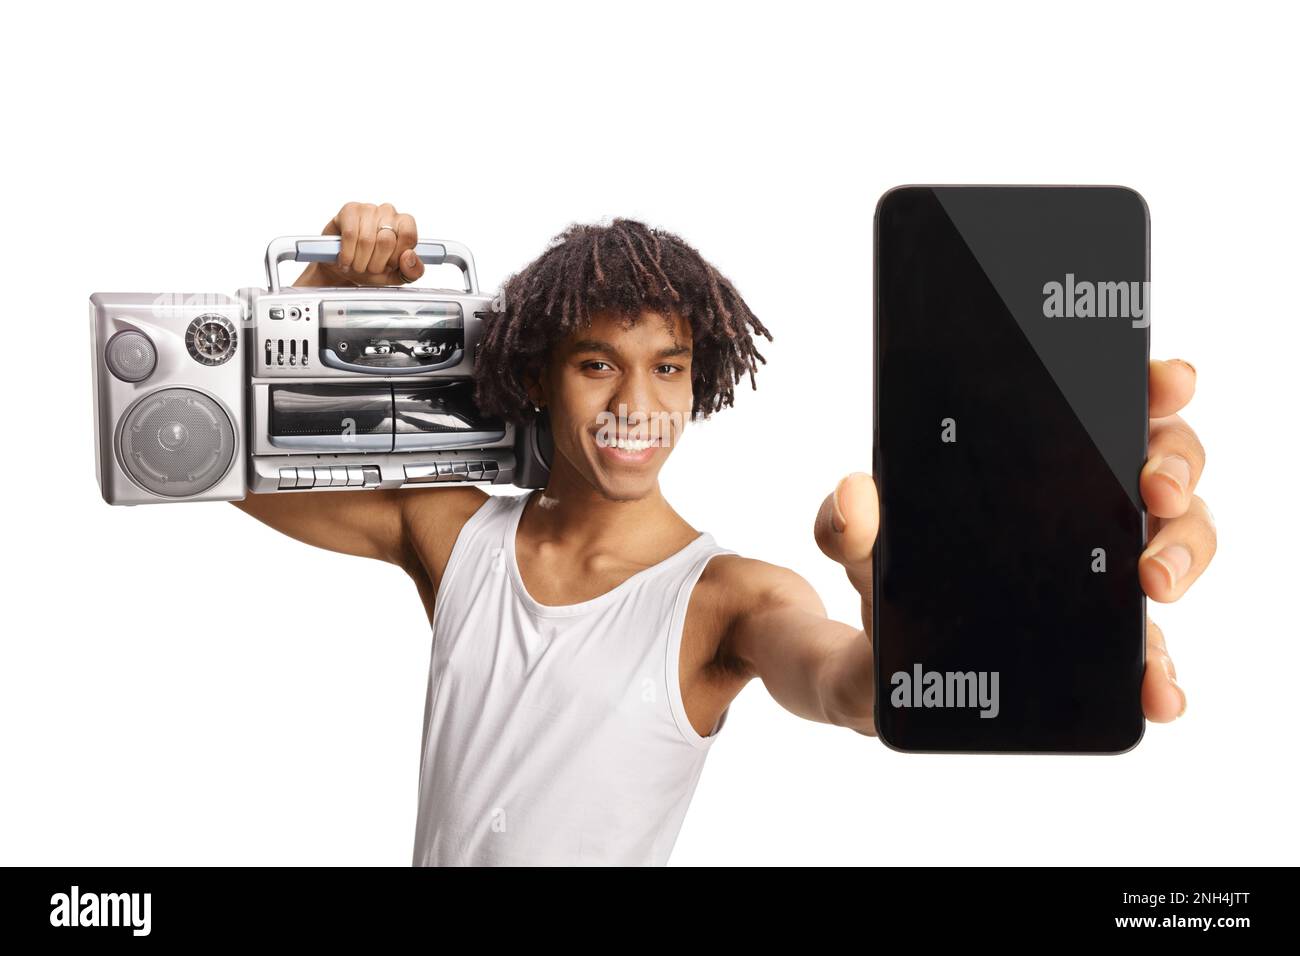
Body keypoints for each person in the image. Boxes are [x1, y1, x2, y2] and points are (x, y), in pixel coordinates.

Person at [234, 201, 1216, 865]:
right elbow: (230, 467)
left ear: (697, 381)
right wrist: (323, 290)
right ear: (537, 373)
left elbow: (849, 688)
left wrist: (923, 608)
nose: (636, 402)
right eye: (595, 364)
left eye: (667, 367)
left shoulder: (729, 596)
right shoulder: (456, 534)